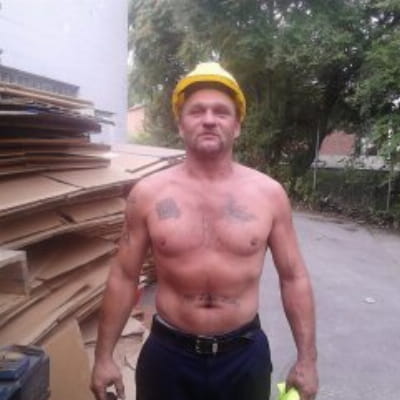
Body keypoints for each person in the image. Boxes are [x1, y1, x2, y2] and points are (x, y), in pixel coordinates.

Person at [91, 62, 318, 400]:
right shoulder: (148, 194)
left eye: (221, 112)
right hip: (168, 358)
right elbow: (124, 276)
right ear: (180, 125)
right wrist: (103, 357)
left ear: (236, 126)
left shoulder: (269, 194)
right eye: (197, 111)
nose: (209, 119)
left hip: (243, 357)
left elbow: (294, 277)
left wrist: (307, 360)